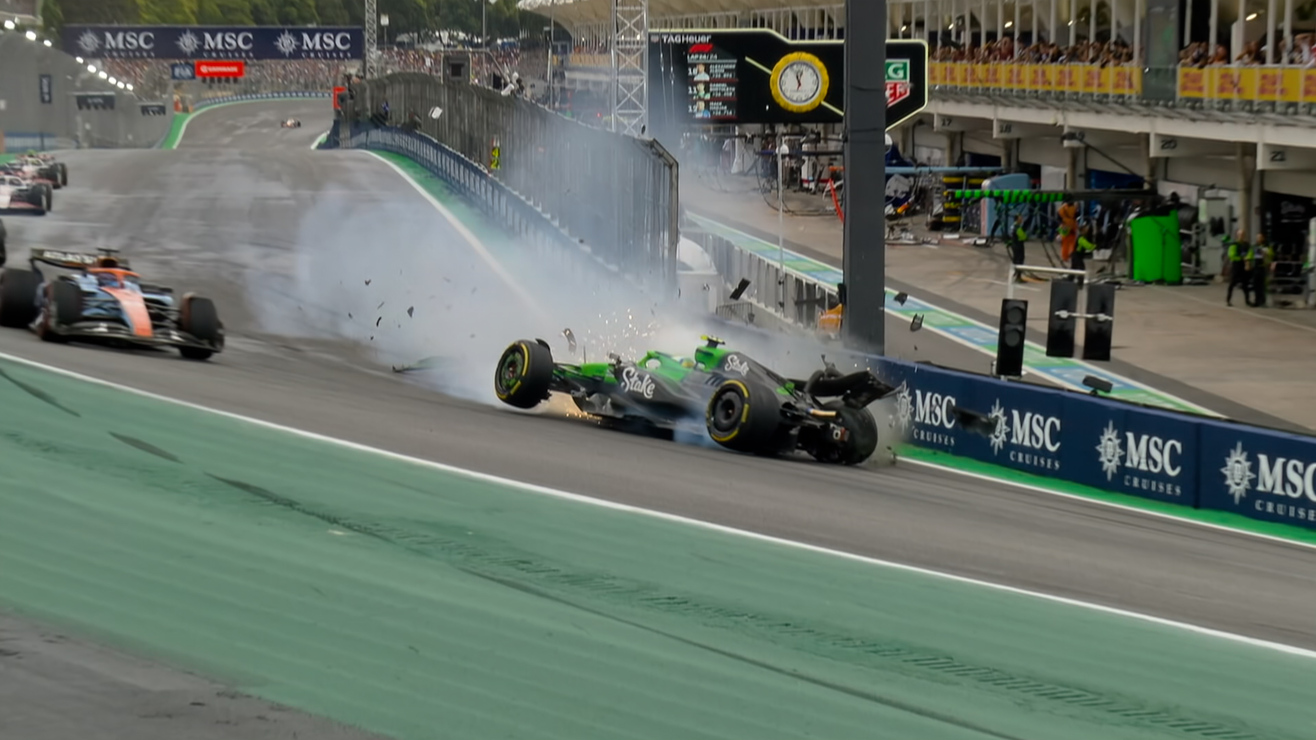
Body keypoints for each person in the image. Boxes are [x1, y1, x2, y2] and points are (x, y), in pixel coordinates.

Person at [1224, 229, 1253, 307]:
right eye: (1240, 234)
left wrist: (1247, 259)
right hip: (1236, 265)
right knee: (1232, 283)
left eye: (1242, 234)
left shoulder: (1247, 245)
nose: (1241, 236)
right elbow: (1231, 255)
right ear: (1237, 235)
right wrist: (1240, 258)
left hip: (1244, 265)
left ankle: (1247, 301)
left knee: (1245, 284)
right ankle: (1228, 300)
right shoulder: (1234, 244)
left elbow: (1250, 252)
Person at [1249, 232, 1274, 307]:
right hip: (1256, 267)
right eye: (1258, 237)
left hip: (1263, 267)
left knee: (1263, 285)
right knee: (1256, 285)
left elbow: (1271, 255)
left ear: (1263, 238)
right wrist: (1248, 263)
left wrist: (1266, 254)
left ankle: (1263, 301)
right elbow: (1249, 255)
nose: (1259, 239)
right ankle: (1257, 300)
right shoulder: (1254, 247)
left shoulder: (1267, 247)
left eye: (1260, 237)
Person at [1057, 197, 1078, 263]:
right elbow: (1077, 216)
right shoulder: (1074, 208)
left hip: (1064, 226)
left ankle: (1064, 257)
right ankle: (1071, 255)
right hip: (1072, 226)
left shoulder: (1062, 208)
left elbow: (1058, 216)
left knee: (1064, 243)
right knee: (1072, 243)